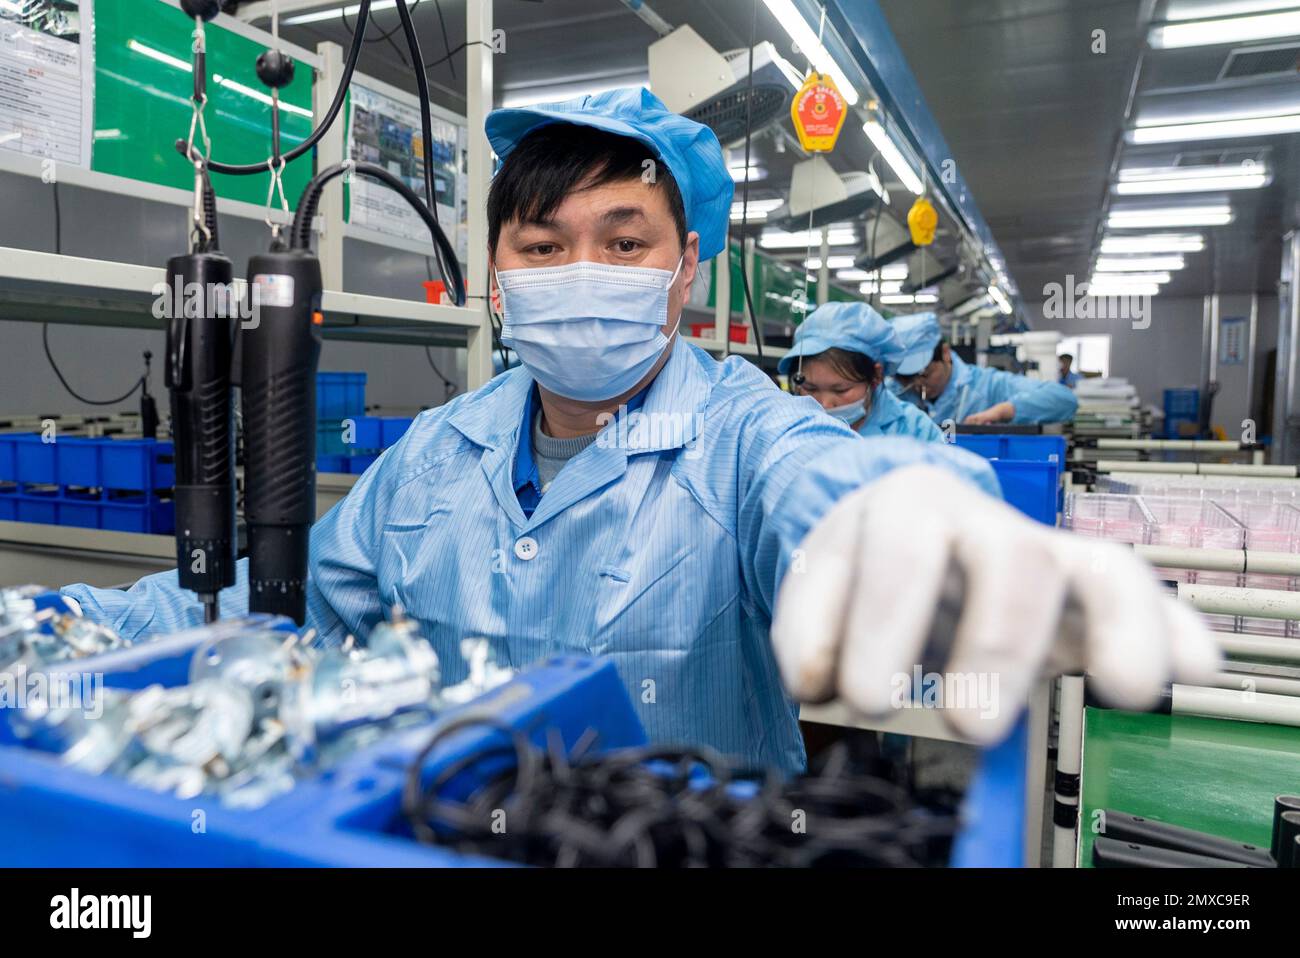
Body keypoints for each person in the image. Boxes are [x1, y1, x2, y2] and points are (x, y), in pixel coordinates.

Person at [60, 88, 1213, 775]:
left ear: (684, 272)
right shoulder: (435, 453)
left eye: (623, 241)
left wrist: (888, 518)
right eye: (543, 245)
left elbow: (815, 488)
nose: (581, 273)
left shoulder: (745, 436)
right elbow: (282, 601)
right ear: (497, 278)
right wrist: (64, 625)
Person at [779, 302, 944, 442]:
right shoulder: (785, 427)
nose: (825, 404)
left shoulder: (915, 430)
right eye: (810, 388)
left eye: (840, 390)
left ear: (876, 376)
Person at [891, 313, 1078, 426]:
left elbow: (1064, 399)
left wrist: (1004, 411)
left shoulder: (988, 387)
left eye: (924, 374)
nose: (916, 385)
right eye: (905, 378)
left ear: (945, 354)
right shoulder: (890, 394)